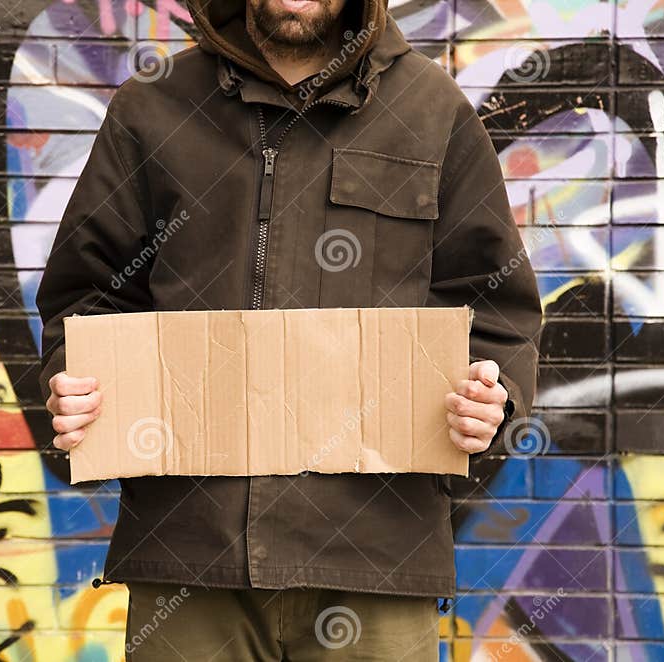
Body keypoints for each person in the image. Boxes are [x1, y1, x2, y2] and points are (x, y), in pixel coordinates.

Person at [36, 0, 543, 658]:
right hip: (192, 560)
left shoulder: (432, 111)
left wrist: (493, 396)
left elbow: (497, 306)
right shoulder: (152, 108)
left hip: (373, 564)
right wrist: (71, 383)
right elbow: (88, 293)